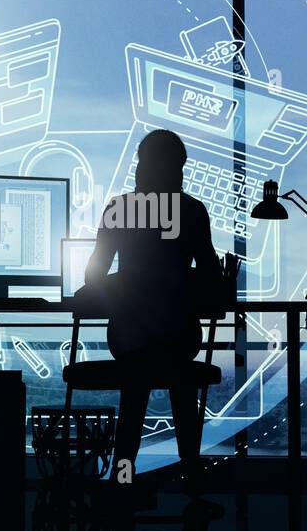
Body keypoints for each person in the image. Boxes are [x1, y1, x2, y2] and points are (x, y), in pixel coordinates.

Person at [84, 129, 221, 486]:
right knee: (178, 378)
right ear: (179, 168)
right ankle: (190, 471)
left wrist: (122, 284)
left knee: (136, 378)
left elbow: (93, 274)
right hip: (181, 338)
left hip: (128, 339)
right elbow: (211, 277)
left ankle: (122, 472)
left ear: (142, 166)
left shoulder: (120, 208)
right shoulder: (192, 212)